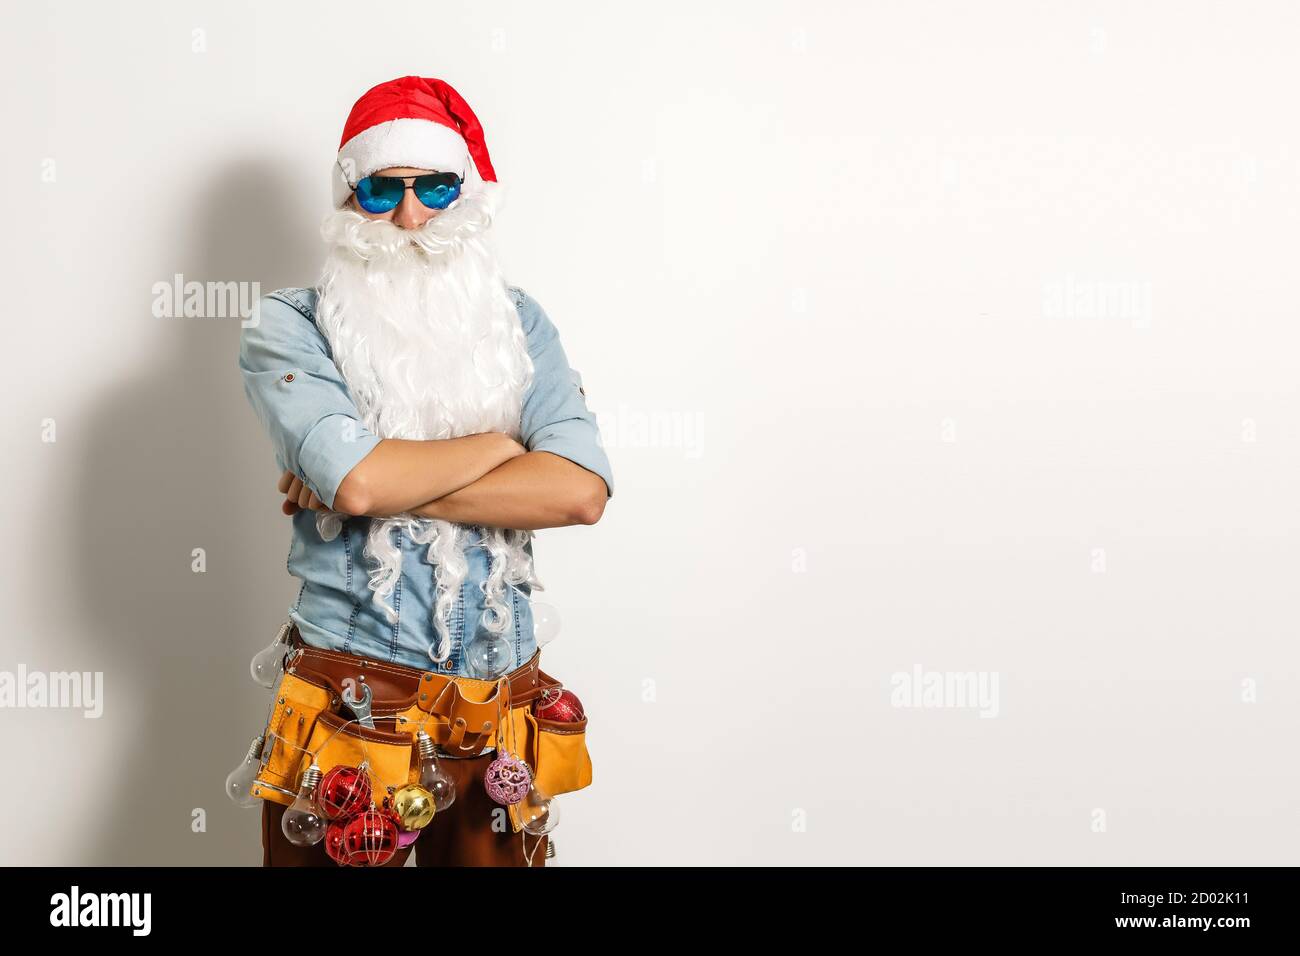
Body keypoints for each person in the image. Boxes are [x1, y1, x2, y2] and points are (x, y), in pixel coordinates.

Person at [237, 75, 613, 867]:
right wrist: (501, 447)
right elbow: (364, 487)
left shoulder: (519, 324)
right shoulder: (287, 325)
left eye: (435, 187)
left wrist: (378, 473)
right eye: (381, 190)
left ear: (467, 195)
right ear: (348, 204)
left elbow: (579, 493)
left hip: (499, 699)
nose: (410, 218)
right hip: (350, 700)